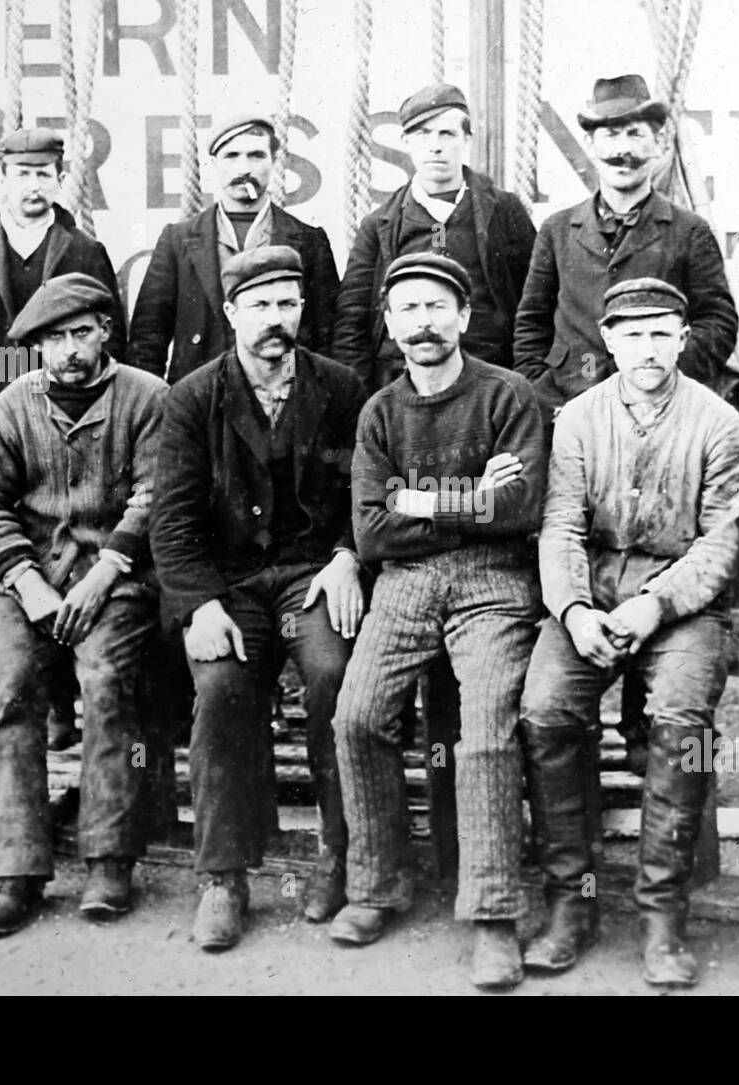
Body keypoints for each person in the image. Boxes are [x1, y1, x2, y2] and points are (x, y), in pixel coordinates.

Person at [521, 278, 739, 987]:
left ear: (684, 339)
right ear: (608, 340)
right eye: (632, 333)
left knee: (682, 721)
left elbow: (721, 543)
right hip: (592, 590)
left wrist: (657, 603)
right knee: (546, 710)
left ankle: (662, 913)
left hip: (681, 599)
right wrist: (574, 610)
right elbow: (559, 525)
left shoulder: (719, 423)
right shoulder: (578, 419)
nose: (646, 348)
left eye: (661, 333)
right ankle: (572, 900)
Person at [327, 253, 545, 990]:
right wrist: (467, 501)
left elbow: (518, 510)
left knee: (484, 729)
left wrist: (418, 501)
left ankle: (492, 914)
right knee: (356, 716)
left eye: (435, 307)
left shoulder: (507, 395)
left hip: (496, 581)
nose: (422, 323)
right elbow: (371, 533)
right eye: (407, 311)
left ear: (463, 316)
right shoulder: (381, 411)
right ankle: (375, 884)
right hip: (405, 581)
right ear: (389, 326)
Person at [149, 246, 368, 951]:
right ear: (232, 312)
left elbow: (365, 493)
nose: (275, 319)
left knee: (334, 675)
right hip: (229, 582)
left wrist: (345, 556)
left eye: (287, 303)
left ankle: (338, 854)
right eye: (261, 305)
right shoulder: (190, 396)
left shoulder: (339, 388)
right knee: (219, 689)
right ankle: (222, 874)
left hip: (311, 572)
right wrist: (199, 604)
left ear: (303, 309)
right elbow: (173, 518)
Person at [0, 273, 166, 937]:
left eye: (82, 332)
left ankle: (110, 857)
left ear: (105, 330)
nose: (70, 350)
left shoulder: (146, 397)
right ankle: (17, 867)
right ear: (37, 346)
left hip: (118, 579)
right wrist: (31, 587)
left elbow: (152, 495)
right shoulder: (10, 409)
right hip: (30, 585)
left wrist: (103, 574)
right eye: (55, 338)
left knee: (107, 685)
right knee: (15, 695)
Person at [0, 127, 126, 751]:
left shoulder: (84, 248)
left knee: (72, 554)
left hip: (71, 432)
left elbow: (108, 340)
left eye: (44, 174)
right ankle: (40, 704)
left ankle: (68, 707)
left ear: (59, 180)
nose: (33, 185)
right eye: (21, 174)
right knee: (10, 565)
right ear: (3, 180)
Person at [512, 74, 739, 419]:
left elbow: (718, 322)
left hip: (663, 409)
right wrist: (545, 394)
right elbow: (531, 325)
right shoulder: (556, 230)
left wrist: (663, 381)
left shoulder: (689, 230)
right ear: (590, 144)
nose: (623, 151)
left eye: (635, 134)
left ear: (659, 142)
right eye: (611, 134)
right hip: (571, 406)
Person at [333, 83, 537, 390]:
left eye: (447, 134)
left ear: (466, 139)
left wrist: (525, 386)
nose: (435, 146)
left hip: (490, 378)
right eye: (423, 134)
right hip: (403, 380)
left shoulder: (505, 212)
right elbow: (352, 321)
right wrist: (358, 398)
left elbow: (533, 306)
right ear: (405, 141)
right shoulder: (379, 225)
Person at [127, 112, 340, 385]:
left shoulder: (309, 240)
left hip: (282, 391)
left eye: (256, 155)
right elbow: (148, 340)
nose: (243, 169)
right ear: (214, 164)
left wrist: (296, 393)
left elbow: (323, 338)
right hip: (199, 396)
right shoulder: (177, 240)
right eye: (231, 156)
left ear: (274, 162)